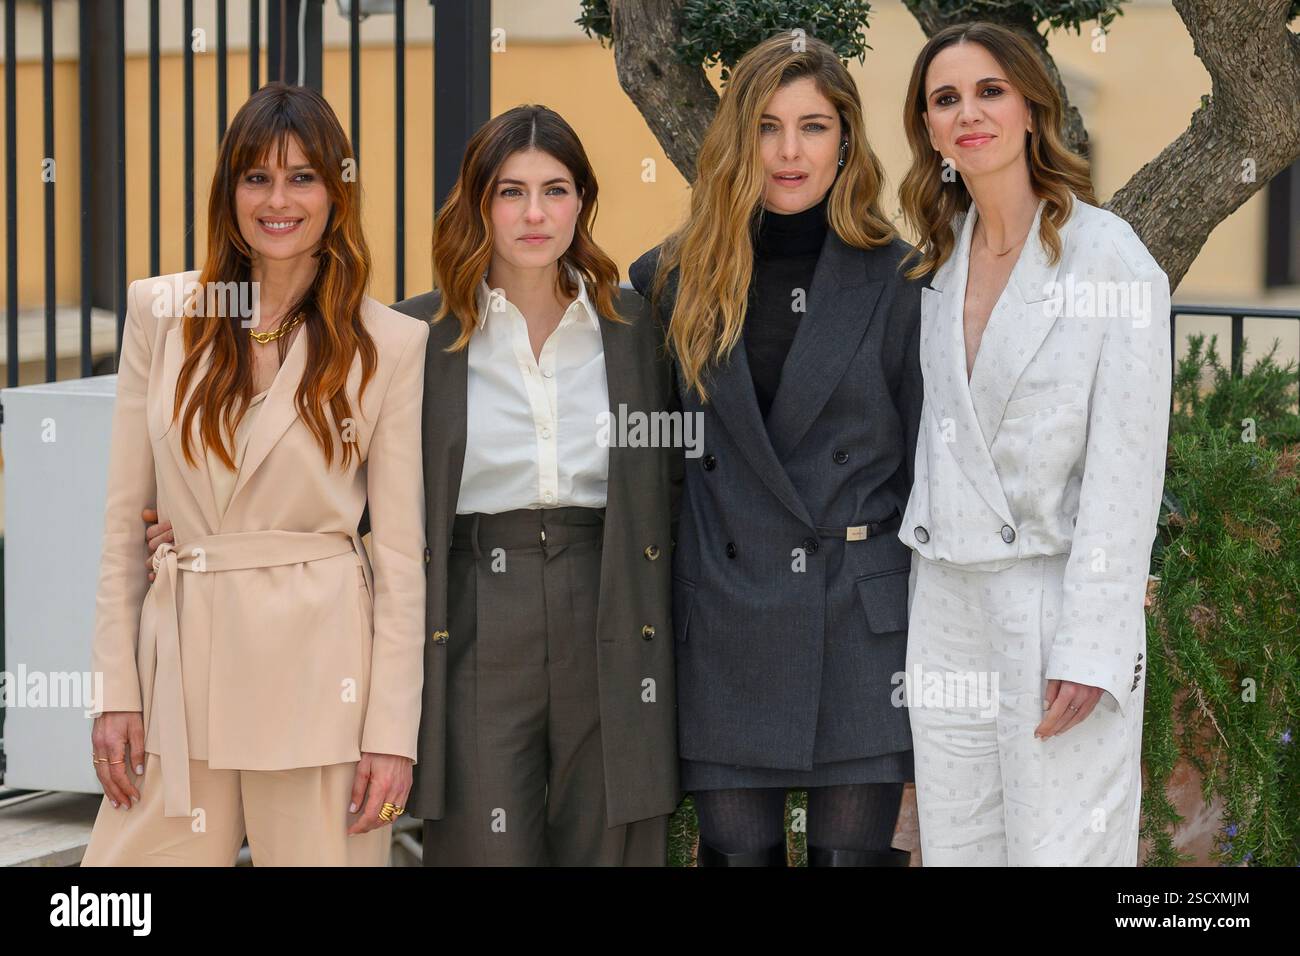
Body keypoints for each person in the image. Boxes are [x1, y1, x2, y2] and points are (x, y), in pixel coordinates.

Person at [84, 82, 428, 866]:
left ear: (336, 193)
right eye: (257, 177)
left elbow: (400, 558)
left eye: (302, 177)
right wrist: (114, 690)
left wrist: (390, 733)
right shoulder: (160, 314)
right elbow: (123, 522)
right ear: (229, 190)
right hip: (177, 672)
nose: (278, 200)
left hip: (323, 683)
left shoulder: (388, 344)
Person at [629, 32, 923, 866]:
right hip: (723, 619)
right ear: (737, 139)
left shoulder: (902, 281)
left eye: (814, 126)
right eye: (767, 126)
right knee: (736, 855)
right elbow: (652, 470)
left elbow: (927, 470)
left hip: (858, 624)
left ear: (846, 141)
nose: (790, 151)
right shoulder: (669, 280)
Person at [896, 21, 1171, 866]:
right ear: (930, 130)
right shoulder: (936, 261)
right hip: (944, 603)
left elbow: (1127, 471)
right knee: (957, 850)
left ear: (1032, 109)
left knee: (1062, 852)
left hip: (1050, 602)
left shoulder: (1109, 258)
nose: (969, 113)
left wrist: (1094, 646)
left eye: (991, 91)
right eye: (946, 99)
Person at [390, 105, 681, 865]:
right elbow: (344, 479)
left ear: (582, 201)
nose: (534, 214)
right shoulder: (415, 335)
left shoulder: (634, 327)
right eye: (510, 192)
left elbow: (677, 481)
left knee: (610, 836)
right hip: (475, 606)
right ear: (479, 203)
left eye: (554, 190)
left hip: (610, 595)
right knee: (485, 844)